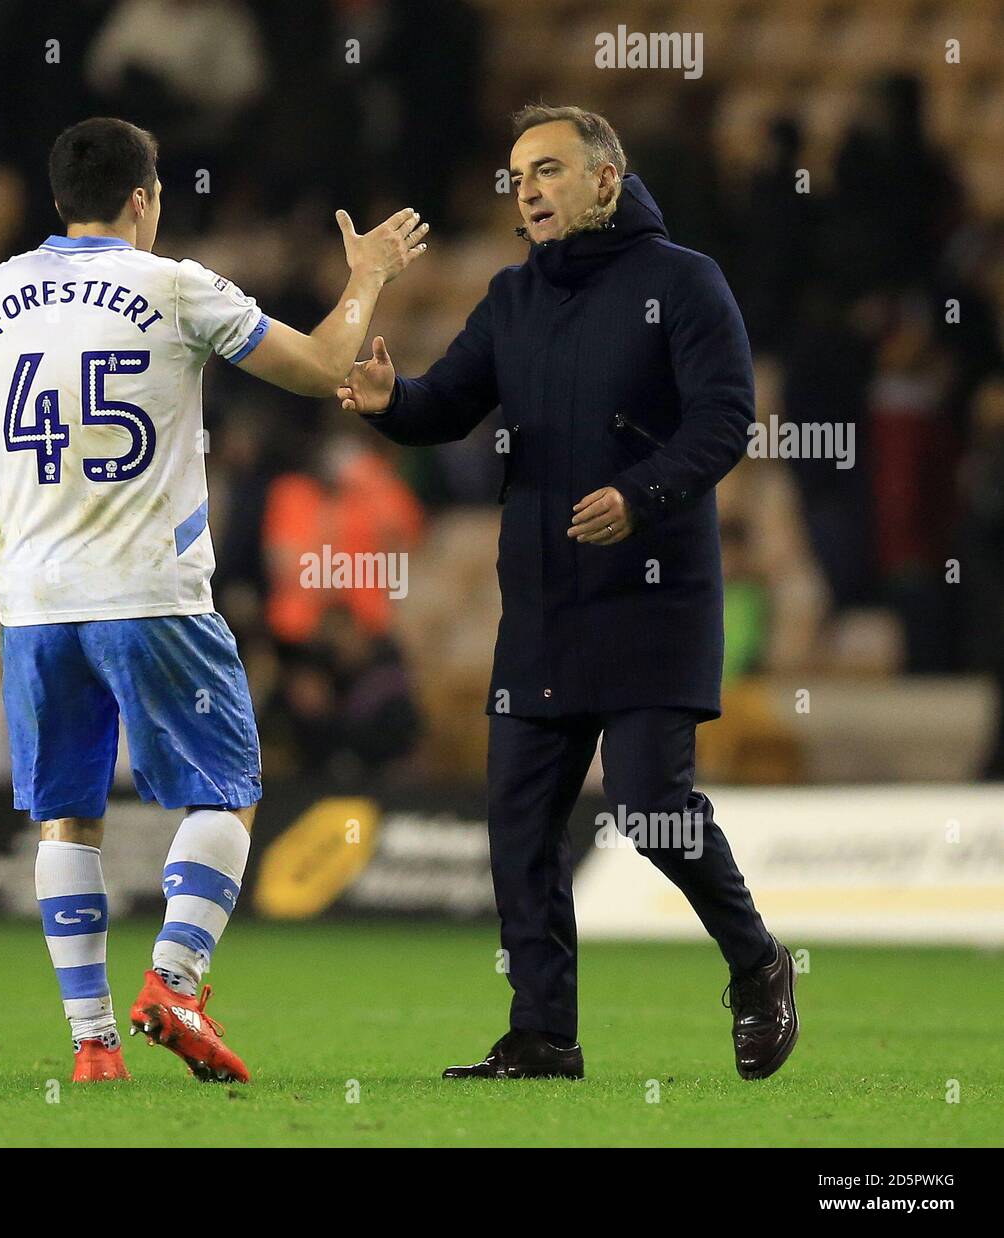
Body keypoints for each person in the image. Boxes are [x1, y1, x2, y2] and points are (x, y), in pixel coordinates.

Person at [0, 117, 427, 1084]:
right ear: (143, 199)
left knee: (67, 820)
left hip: (34, 602)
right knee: (227, 791)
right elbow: (329, 366)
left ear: (58, 201)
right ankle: (175, 978)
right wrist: (369, 273)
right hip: (151, 592)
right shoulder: (175, 286)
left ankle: (91, 1048)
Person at [339, 104, 798, 1081]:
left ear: (604, 179)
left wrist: (640, 496)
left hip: (652, 594)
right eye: (516, 178)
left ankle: (756, 960)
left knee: (647, 805)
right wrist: (391, 403)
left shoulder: (683, 282)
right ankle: (543, 1033)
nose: (528, 190)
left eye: (546, 170)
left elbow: (725, 417)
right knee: (517, 825)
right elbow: (448, 402)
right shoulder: (512, 297)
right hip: (543, 606)